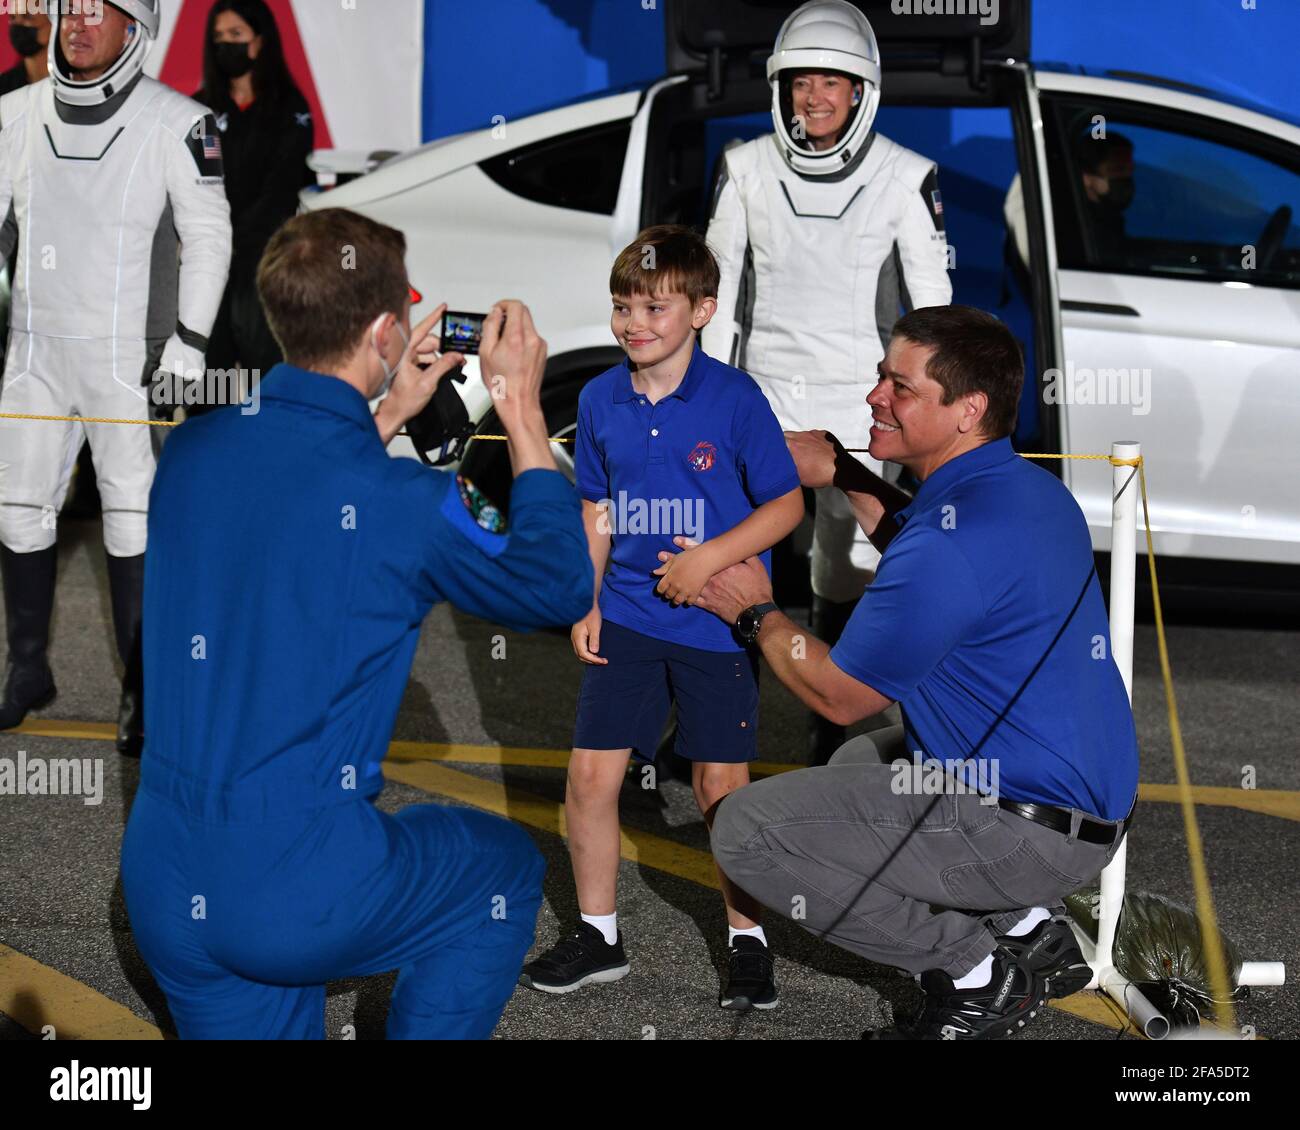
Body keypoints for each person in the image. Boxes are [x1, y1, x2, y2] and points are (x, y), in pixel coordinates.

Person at [120, 207, 595, 1039]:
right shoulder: (406, 505)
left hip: (167, 881)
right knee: (504, 873)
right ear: (385, 331)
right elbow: (555, 585)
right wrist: (519, 408)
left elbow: (295, 505)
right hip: (296, 892)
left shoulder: (192, 453)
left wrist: (383, 413)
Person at [666, 306, 1139, 1039]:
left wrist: (757, 611)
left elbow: (840, 694)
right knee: (870, 757)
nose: (873, 397)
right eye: (881, 377)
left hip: (1022, 830)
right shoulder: (1026, 491)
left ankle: (976, 975)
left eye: (900, 386)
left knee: (747, 831)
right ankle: (1029, 927)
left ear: (967, 410)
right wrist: (846, 472)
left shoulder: (954, 541)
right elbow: (928, 546)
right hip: (1077, 810)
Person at [518, 225, 804, 1011]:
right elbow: (596, 507)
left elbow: (787, 503)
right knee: (589, 778)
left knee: (721, 789)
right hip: (630, 618)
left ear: (703, 310)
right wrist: (587, 597)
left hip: (716, 624)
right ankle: (598, 936)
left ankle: (748, 941)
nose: (633, 322)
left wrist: (710, 561)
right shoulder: (598, 396)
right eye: (621, 306)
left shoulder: (736, 398)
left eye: (654, 306)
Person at [702, 0, 952, 765]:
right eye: (802, 82)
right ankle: (717, 727)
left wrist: (928, 422)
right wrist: (709, 405)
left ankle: (830, 732)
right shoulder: (744, 168)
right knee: (732, 556)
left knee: (846, 569)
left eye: (831, 84)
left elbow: (936, 318)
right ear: (782, 89)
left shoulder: (906, 178)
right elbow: (716, 297)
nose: (815, 98)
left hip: (861, 412)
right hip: (759, 399)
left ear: (860, 92)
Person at [0, 0, 232, 756]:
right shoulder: (16, 113)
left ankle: (143, 695)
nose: (78, 22)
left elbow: (208, 236)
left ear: (136, 27)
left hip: (127, 362)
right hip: (33, 356)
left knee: (132, 518)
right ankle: (27, 668)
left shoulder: (182, 122)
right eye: (72, 8)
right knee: (17, 510)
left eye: (100, 11)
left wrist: (189, 343)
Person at [192, 0, 314, 409]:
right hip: (207, 269)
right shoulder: (196, 110)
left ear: (259, 42)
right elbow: (191, 186)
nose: (226, 46)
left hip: (263, 268)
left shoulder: (291, 110)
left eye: (237, 36)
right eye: (219, 38)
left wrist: (231, 239)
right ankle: (206, 464)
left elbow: (281, 193)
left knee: (269, 384)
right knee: (208, 390)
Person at [0, 9, 49, 96]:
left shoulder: (76, 80)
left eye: (28, 17)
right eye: (13, 17)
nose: (18, 24)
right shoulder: (3, 87)